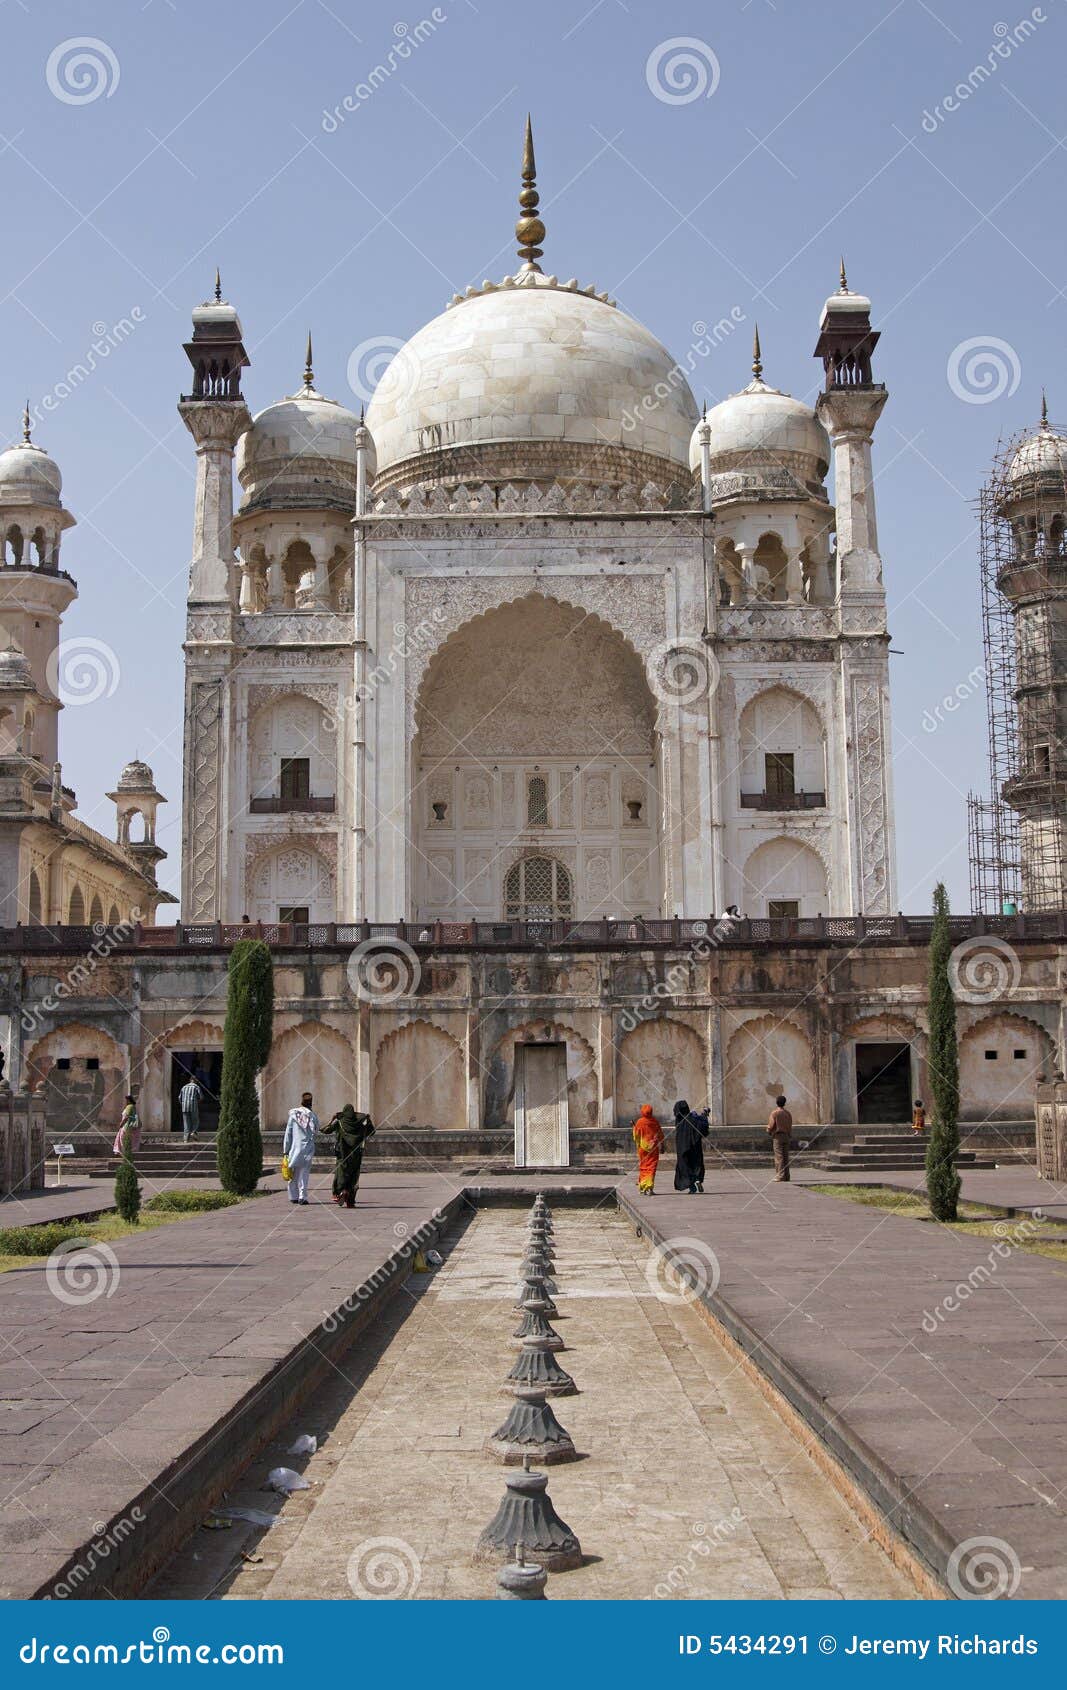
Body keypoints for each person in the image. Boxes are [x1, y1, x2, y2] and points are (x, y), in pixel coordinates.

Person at [322, 1104, 375, 1208]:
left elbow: (325, 1130)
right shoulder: (360, 1124)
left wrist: (331, 1120)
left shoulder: (340, 1122)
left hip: (342, 1155)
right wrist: (369, 1121)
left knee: (341, 1174)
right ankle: (350, 1200)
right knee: (354, 1176)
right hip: (356, 1155)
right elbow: (372, 1132)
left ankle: (341, 1191)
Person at [282, 1091, 319, 1206]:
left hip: (294, 1148)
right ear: (310, 1103)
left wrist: (285, 1150)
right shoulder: (312, 1116)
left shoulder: (293, 1115)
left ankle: (293, 1196)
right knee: (304, 1173)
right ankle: (302, 1196)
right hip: (307, 1148)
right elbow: (316, 1130)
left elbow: (288, 1134)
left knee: (293, 1172)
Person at [673, 1099, 709, 1194]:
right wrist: (705, 1115)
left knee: (685, 1167)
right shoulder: (694, 1119)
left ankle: (691, 1187)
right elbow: (703, 1128)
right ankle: (697, 1179)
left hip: (683, 1149)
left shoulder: (679, 1121)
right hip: (695, 1148)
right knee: (696, 1164)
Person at [631, 1103, 665, 1195]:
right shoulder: (655, 1122)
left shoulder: (639, 1122)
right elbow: (660, 1134)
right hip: (653, 1149)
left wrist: (633, 1127)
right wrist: (662, 1145)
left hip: (642, 1149)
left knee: (643, 1167)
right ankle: (649, 1187)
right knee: (651, 1168)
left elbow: (637, 1135)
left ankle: (643, 1187)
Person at [766, 1095, 793, 1182]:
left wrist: (768, 1130)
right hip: (786, 1136)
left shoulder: (775, 1113)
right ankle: (787, 1176)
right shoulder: (788, 1113)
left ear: (777, 1103)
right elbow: (790, 1126)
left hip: (778, 1136)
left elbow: (771, 1125)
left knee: (779, 1157)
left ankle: (780, 1176)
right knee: (785, 1156)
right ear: (784, 1103)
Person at [179, 1074, 202, 1143]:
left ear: (190, 1080)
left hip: (184, 1107)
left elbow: (179, 1098)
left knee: (186, 1122)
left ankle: (186, 1139)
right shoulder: (196, 1087)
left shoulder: (184, 1087)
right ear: (195, 1081)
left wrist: (183, 1103)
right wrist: (198, 1102)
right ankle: (193, 1132)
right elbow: (201, 1097)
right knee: (195, 1120)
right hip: (193, 1105)